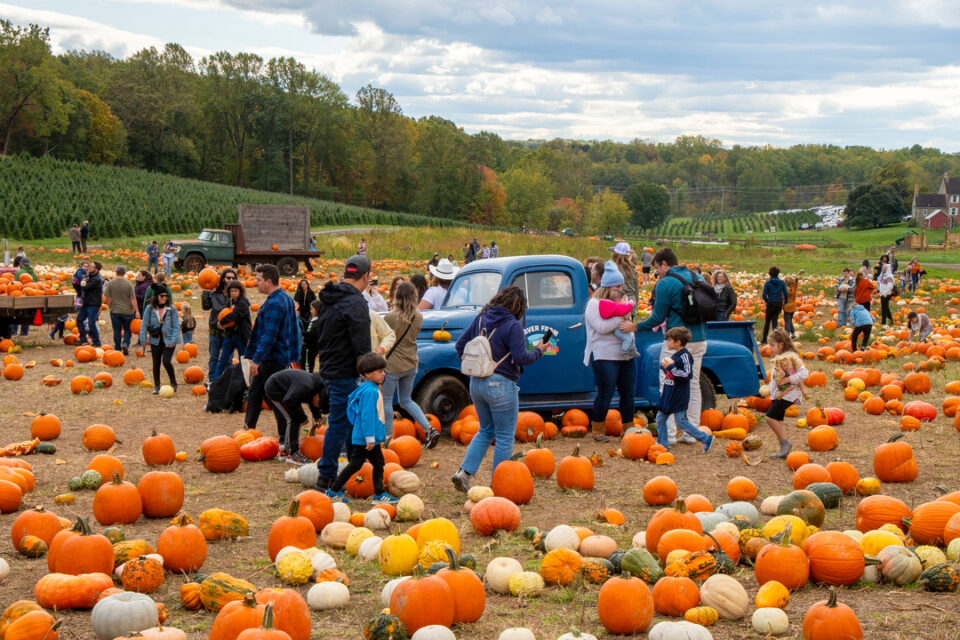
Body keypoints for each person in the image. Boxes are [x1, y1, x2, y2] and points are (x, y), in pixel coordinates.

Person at [451, 286, 548, 491]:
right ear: (518, 306)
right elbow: (521, 358)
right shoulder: (512, 325)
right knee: (504, 435)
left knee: (485, 430)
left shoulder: (481, 318)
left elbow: (460, 346)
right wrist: (539, 350)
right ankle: (499, 483)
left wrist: (476, 367)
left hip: (476, 382)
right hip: (500, 384)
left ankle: (464, 472)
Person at [619, 248, 709, 445]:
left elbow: (658, 317)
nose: (656, 272)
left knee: (668, 385)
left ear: (664, 264)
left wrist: (635, 326)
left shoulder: (666, 283)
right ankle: (691, 434)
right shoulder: (698, 277)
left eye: (657, 268)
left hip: (675, 342)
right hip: (700, 338)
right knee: (693, 385)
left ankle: (668, 435)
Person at [312, 256, 374, 491]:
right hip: (345, 371)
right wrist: (369, 371)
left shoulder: (329, 298)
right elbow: (362, 344)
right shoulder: (355, 303)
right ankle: (326, 476)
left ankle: (353, 468)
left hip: (329, 367)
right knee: (339, 422)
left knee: (351, 420)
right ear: (366, 277)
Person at [325, 353, 396, 504]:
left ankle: (378, 494)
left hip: (367, 437)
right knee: (356, 465)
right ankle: (334, 491)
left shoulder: (368, 388)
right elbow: (367, 416)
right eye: (380, 371)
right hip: (366, 439)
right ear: (368, 374)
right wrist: (370, 438)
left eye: (383, 371)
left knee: (377, 463)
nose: (384, 374)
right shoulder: (370, 392)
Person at [383, 282, 440, 449]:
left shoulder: (391, 317)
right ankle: (428, 429)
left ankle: (388, 437)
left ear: (397, 296)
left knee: (386, 401)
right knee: (406, 400)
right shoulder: (418, 316)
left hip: (393, 365)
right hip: (411, 363)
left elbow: (386, 337)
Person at [585, 264, 639, 443]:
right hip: (605, 354)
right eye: (617, 286)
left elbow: (628, 323)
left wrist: (624, 315)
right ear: (607, 286)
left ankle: (628, 427)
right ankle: (598, 429)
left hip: (626, 354)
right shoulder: (594, 304)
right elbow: (601, 327)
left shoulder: (623, 300)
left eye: (621, 285)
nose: (620, 289)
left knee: (628, 393)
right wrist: (621, 315)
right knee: (606, 392)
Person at [243, 264, 300, 430]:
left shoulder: (275, 303)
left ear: (269, 281)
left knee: (275, 397)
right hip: (278, 355)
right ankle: (248, 427)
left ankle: (286, 433)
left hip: (272, 358)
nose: (256, 283)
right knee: (255, 392)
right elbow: (293, 330)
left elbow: (269, 336)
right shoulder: (285, 298)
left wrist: (256, 360)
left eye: (259, 280)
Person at [656, 327, 713, 453]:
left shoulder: (685, 356)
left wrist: (671, 367)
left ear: (678, 342)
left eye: (669, 340)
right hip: (669, 393)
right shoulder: (675, 356)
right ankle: (662, 444)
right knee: (661, 418)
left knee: (680, 422)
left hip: (678, 395)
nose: (667, 342)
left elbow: (686, 374)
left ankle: (705, 438)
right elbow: (671, 374)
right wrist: (665, 367)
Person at [264, 368, 326, 464]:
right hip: (275, 388)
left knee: (294, 417)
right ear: (318, 397)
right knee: (293, 418)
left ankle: (286, 451)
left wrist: (317, 416)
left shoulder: (314, 389)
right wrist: (302, 417)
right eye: (319, 404)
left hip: (288, 393)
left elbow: (312, 402)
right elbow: (289, 401)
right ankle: (293, 454)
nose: (317, 406)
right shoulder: (305, 387)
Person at [764, 328, 809, 459]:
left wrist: (789, 379)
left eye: (772, 345)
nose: (770, 348)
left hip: (788, 394)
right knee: (778, 420)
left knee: (769, 417)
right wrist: (769, 390)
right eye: (769, 345)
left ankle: (785, 443)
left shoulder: (791, 357)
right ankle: (784, 449)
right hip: (779, 394)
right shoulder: (780, 358)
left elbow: (804, 373)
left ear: (781, 345)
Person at [139, 289, 180, 393]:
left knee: (166, 361)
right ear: (157, 296)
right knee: (156, 363)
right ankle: (157, 386)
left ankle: (173, 382)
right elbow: (144, 324)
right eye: (162, 296)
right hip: (155, 339)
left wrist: (172, 341)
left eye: (166, 296)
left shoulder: (172, 309)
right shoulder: (150, 308)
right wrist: (142, 340)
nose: (164, 298)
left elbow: (176, 326)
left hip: (168, 339)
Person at [213, 281, 251, 381]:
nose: (233, 293)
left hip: (241, 336)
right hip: (230, 335)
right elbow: (225, 313)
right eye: (231, 291)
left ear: (240, 291)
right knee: (222, 359)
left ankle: (245, 382)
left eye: (235, 291)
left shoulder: (243, 303)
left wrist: (222, 322)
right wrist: (222, 323)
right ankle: (215, 381)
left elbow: (235, 315)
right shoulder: (230, 302)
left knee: (243, 361)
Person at [201, 268, 236, 377]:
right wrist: (206, 294)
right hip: (215, 330)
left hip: (229, 331)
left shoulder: (236, 294)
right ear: (223, 279)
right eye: (228, 278)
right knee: (214, 357)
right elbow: (206, 307)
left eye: (233, 278)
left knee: (228, 359)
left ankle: (227, 380)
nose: (231, 280)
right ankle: (212, 380)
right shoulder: (214, 293)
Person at [104, 265, 139, 355]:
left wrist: (110, 306)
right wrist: (137, 311)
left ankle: (117, 348)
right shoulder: (129, 284)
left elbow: (108, 298)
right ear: (124, 273)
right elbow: (133, 299)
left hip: (115, 310)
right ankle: (126, 344)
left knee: (117, 330)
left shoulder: (111, 283)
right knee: (127, 329)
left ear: (116, 272)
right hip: (128, 311)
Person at [76, 261, 104, 347]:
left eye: (92, 267)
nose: (89, 268)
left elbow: (86, 287)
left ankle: (97, 342)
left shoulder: (96, 279)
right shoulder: (90, 276)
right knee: (79, 320)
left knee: (91, 323)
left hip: (93, 304)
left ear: (96, 269)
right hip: (86, 303)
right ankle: (83, 340)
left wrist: (83, 282)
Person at [761, 266, 787, 343]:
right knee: (775, 321)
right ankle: (775, 340)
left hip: (771, 302)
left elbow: (764, 295)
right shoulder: (782, 283)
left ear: (770, 274)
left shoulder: (768, 283)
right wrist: (785, 301)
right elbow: (786, 293)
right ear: (778, 273)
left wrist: (767, 301)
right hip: (778, 303)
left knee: (767, 321)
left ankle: (764, 339)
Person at [611, 242, 639, 312]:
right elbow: (636, 289)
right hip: (631, 301)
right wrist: (636, 304)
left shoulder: (612, 268)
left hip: (617, 302)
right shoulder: (632, 268)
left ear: (614, 254)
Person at [301, 300, 321, 372]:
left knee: (308, 366)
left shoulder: (318, 322)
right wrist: (300, 317)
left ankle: (308, 377)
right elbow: (307, 324)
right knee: (303, 365)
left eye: (312, 309)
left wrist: (300, 332)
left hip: (311, 348)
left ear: (317, 309)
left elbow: (311, 334)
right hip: (306, 347)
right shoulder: (313, 319)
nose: (310, 311)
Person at [783, 271, 802, 339]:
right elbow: (796, 283)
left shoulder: (784, 290)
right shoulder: (793, 288)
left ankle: (787, 334)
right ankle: (793, 333)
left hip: (787, 307)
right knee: (790, 320)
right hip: (793, 307)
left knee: (787, 321)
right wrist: (797, 277)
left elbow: (782, 298)